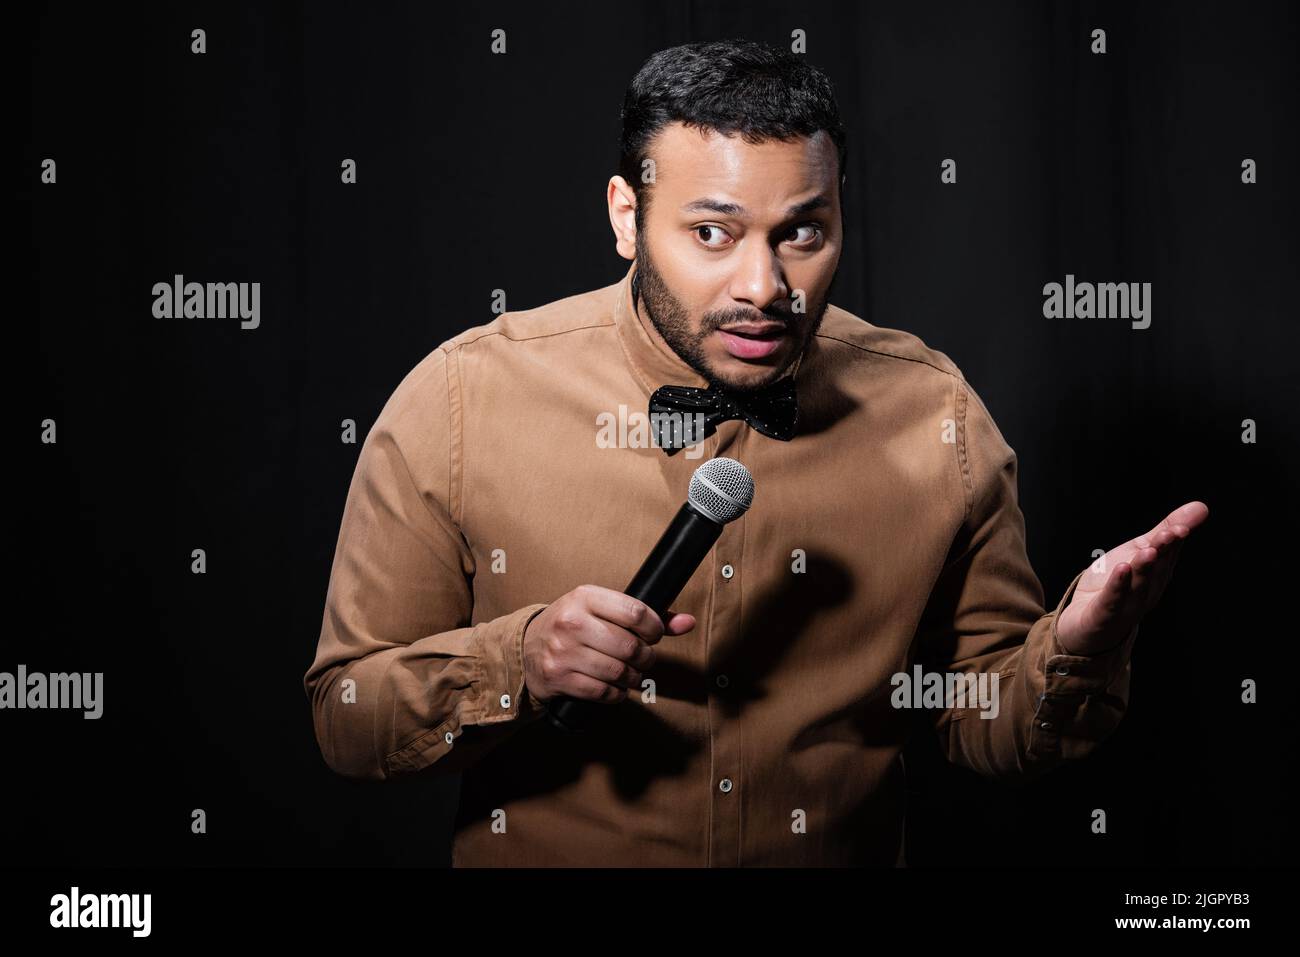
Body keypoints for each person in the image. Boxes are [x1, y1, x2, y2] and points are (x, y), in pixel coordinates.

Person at [302, 38, 1207, 866]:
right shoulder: (463, 400)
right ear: (627, 215)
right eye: (712, 233)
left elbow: (984, 722)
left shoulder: (935, 415)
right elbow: (346, 720)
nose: (765, 287)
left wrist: (1076, 650)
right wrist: (520, 660)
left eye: (802, 233)